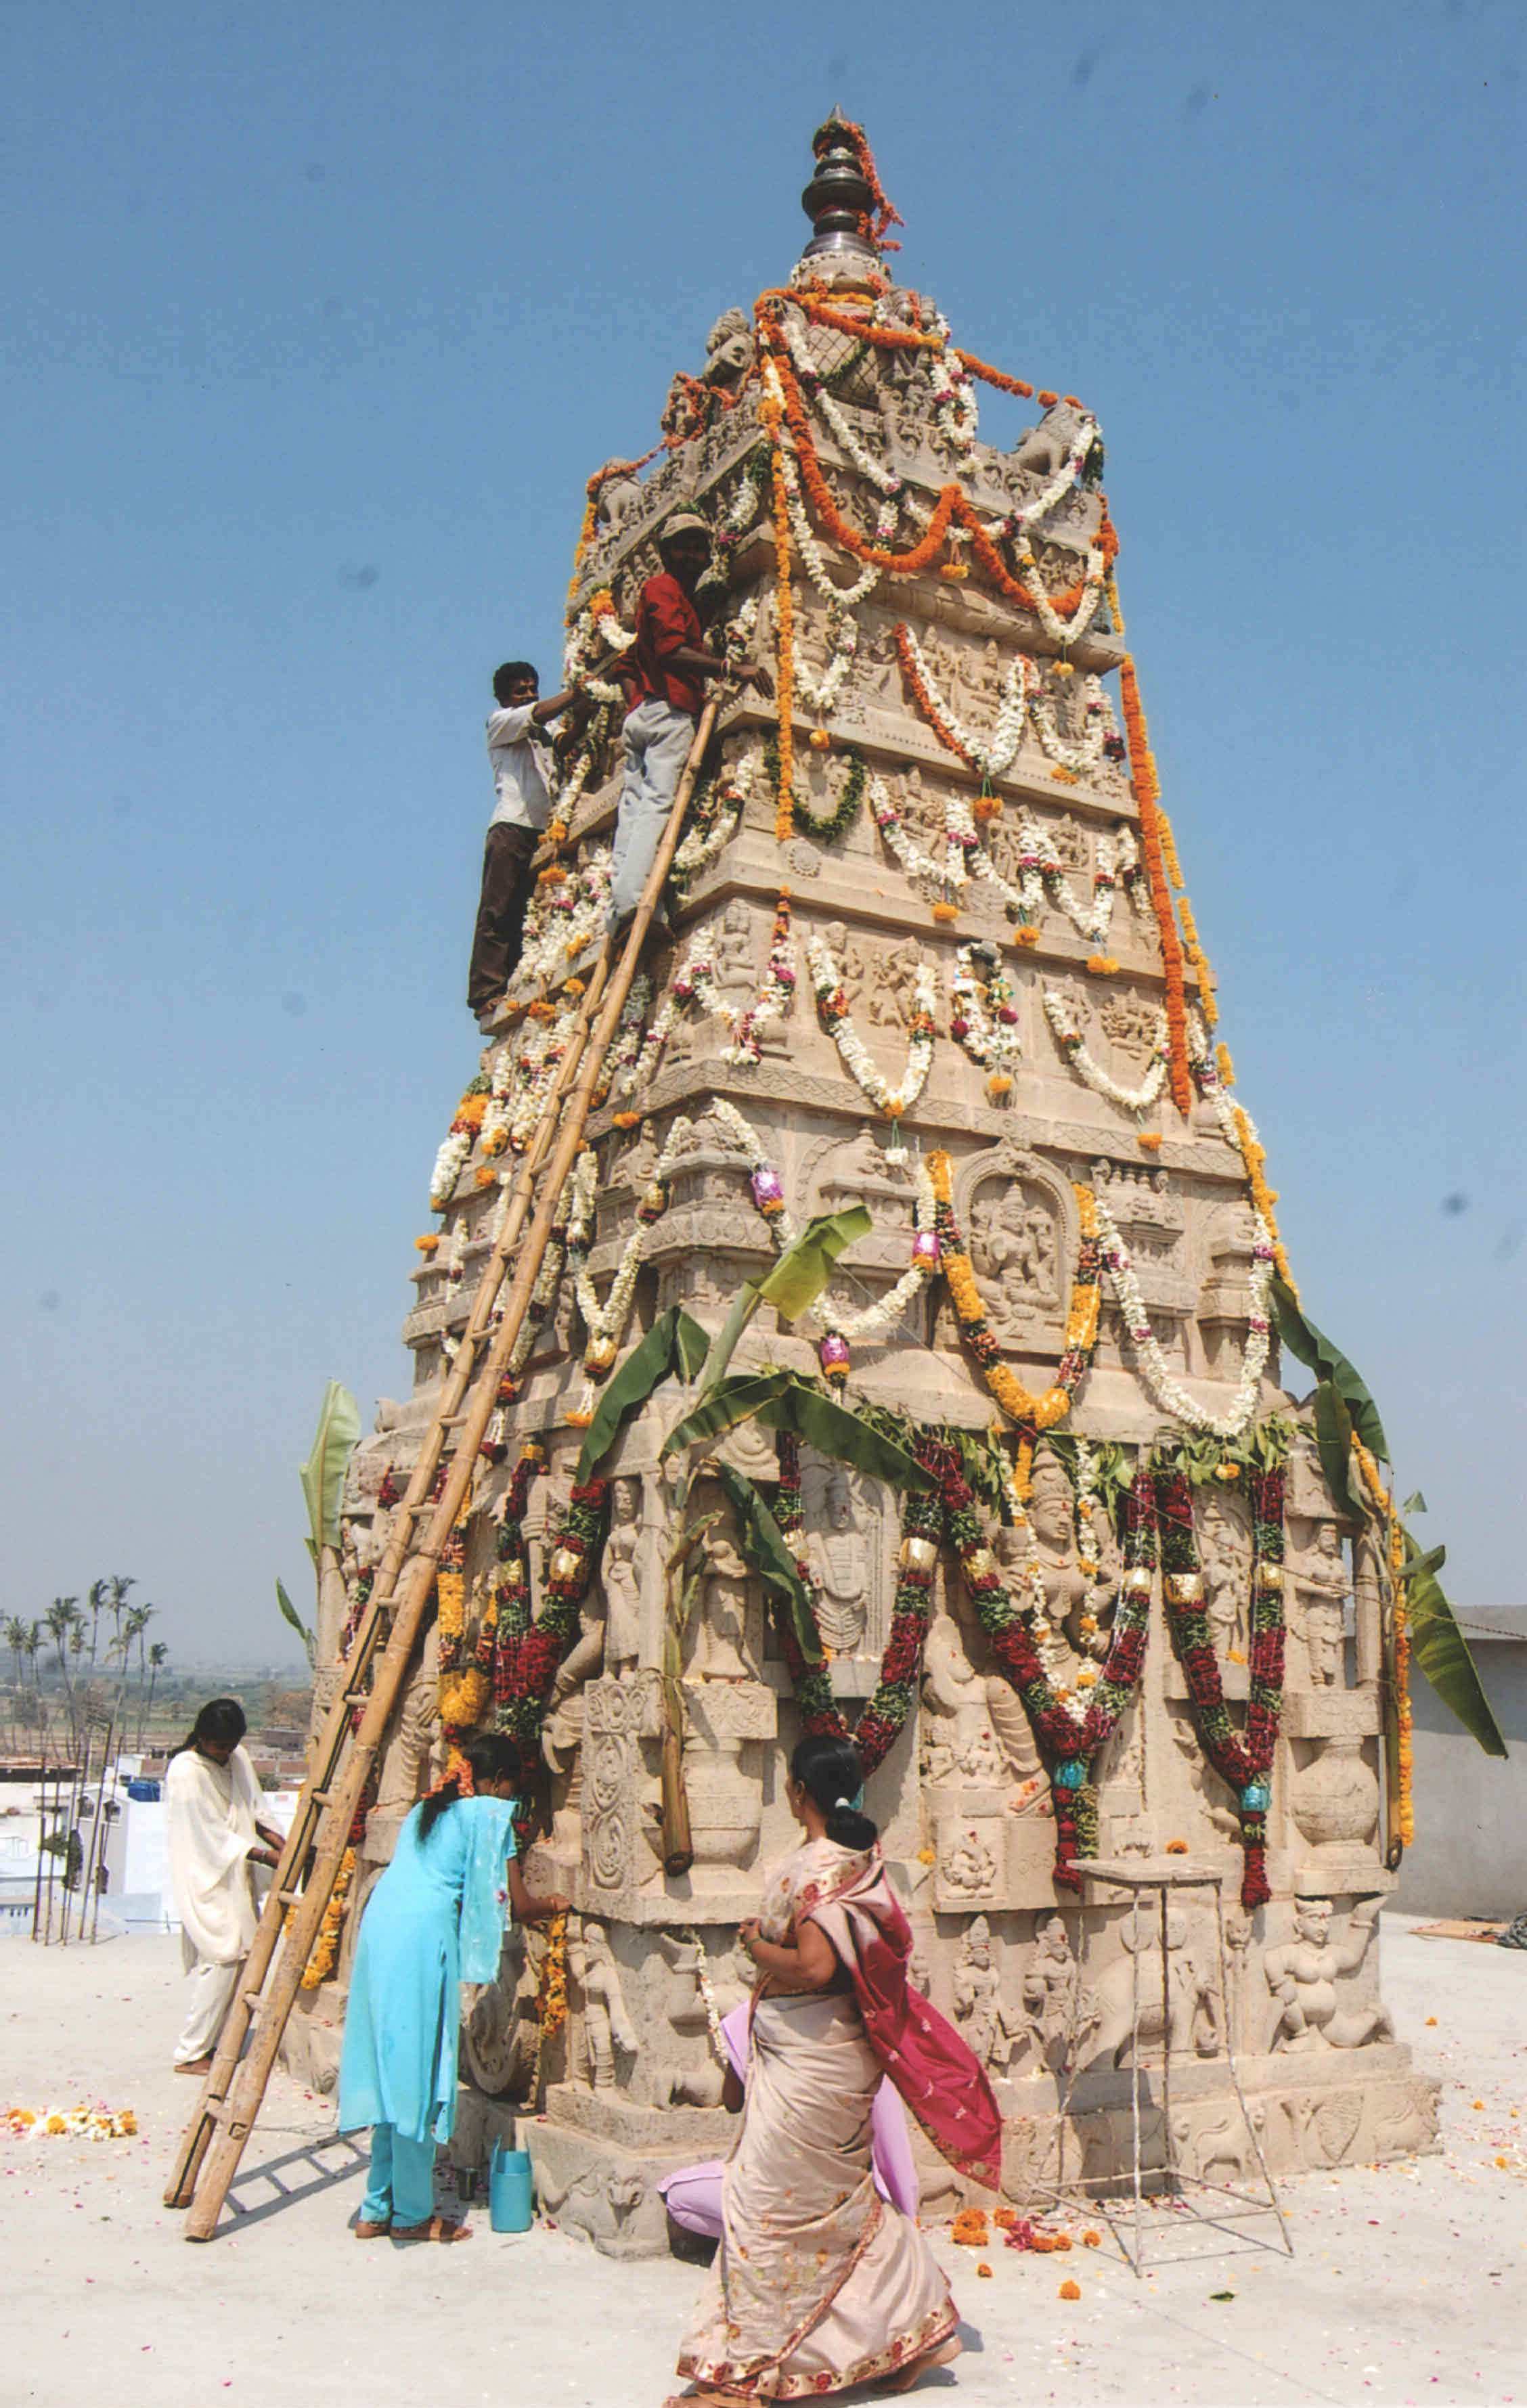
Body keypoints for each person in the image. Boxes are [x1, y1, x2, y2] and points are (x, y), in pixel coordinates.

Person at [668, 1735, 1001, 2405]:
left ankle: (744, 2374)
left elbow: (816, 1966)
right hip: (839, 2062)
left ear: (797, 1793)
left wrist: (757, 1945)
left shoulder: (808, 1871)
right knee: (838, 2206)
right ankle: (917, 2330)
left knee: (764, 2210)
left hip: (810, 2068)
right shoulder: (867, 1864)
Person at [337, 1731, 567, 2243]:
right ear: (496, 1781)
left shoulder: (425, 1811)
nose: (509, 1800)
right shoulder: (489, 1815)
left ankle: (377, 2207)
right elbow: (519, 1904)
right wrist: (554, 1905)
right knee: (417, 2071)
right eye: (510, 1788)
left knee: (389, 2063)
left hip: (381, 1929)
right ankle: (414, 2215)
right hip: (421, 1937)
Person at [607, 513, 771, 938]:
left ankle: (628, 904)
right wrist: (731, 668)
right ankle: (631, 907)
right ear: (665, 554)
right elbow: (669, 651)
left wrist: (636, 701)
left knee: (633, 810)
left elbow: (627, 663)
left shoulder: (675, 596)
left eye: (701, 547)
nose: (694, 555)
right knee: (656, 806)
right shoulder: (662, 589)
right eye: (684, 547)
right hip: (667, 713)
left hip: (647, 714)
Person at [164, 1698, 283, 2075]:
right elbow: (209, 1835)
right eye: (219, 1747)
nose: (225, 1754)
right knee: (222, 1955)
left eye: (231, 1746)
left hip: (238, 1875)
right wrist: (266, 1857)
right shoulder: (184, 1771)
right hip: (207, 1876)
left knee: (245, 1955)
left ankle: (218, 2041)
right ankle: (190, 2051)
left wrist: (284, 1846)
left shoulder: (239, 1758)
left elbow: (255, 1810)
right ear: (201, 1738)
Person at [468, 661, 577, 1029]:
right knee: (499, 910)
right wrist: (581, 692)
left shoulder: (543, 731)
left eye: (533, 688)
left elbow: (564, 741)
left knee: (529, 913)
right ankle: (486, 993)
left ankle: (516, 980)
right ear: (503, 697)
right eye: (521, 691)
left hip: (544, 833)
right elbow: (541, 712)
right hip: (512, 827)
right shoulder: (501, 721)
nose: (530, 694)